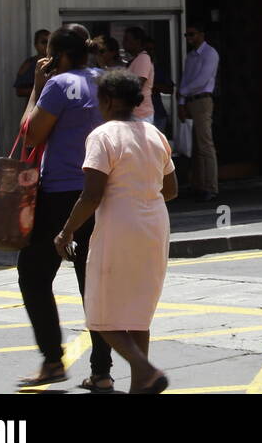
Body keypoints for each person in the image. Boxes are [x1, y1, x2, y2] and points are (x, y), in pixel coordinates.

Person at [55, 68, 177, 394]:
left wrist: (66, 231)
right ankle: (141, 385)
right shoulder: (155, 135)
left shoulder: (103, 135)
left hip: (119, 228)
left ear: (107, 100)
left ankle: (145, 369)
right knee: (139, 313)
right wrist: (141, 195)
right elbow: (171, 189)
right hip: (155, 225)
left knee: (99, 314)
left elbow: (91, 194)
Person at [15, 25, 114, 392]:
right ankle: (101, 371)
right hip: (103, 194)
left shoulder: (58, 86)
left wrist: (38, 89)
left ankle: (53, 361)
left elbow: (30, 135)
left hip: (60, 197)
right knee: (95, 285)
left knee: (34, 275)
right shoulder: (108, 81)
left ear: (57, 56)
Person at [179, 21, 220, 201]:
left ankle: (211, 187)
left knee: (205, 144)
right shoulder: (190, 56)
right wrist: (181, 102)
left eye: (192, 34)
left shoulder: (210, 53)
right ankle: (198, 185)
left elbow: (202, 80)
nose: (189, 38)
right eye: (187, 35)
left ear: (201, 34)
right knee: (195, 146)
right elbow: (186, 79)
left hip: (202, 100)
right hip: (190, 100)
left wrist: (182, 93)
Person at [122, 26, 155, 127]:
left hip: (140, 114)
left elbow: (138, 85)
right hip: (135, 113)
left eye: (127, 39)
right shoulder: (136, 59)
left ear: (137, 41)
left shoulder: (143, 58)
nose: (123, 42)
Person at [12, 29, 51, 99]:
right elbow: (19, 91)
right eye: (44, 42)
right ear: (36, 45)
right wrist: (42, 90)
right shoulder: (29, 64)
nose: (47, 45)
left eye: (50, 42)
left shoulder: (59, 62)